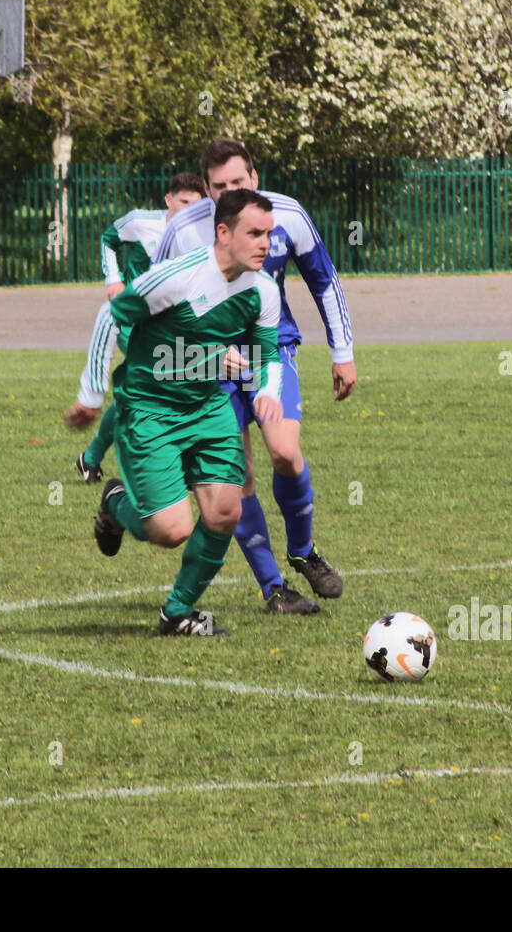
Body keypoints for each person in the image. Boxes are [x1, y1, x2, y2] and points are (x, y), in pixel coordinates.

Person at [151, 138, 355, 615]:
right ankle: (274, 589)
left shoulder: (287, 216)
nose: (229, 191)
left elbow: (324, 280)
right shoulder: (183, 230)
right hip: (208, 364)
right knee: (235, 477)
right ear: (205, 188)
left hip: (271, 349)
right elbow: (155, 307)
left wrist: (342, 352)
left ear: (255, 179)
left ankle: (303, 551)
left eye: (238, 182)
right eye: (219, 186)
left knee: (285, 452)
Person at [65, 189, 283, 636]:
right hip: (150, 410)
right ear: (223, 232)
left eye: (270, 234)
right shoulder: (177, 277)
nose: (266, 244)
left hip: (207, 408)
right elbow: (111, 316)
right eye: (255, 233)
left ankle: (177, 612)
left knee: (225, 511)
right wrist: (91, 394)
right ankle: (114, 502)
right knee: (169, 530)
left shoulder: (263, 291)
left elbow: (268, 356)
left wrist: (269, 389)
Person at [73, 172, 207, 484]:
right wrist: (113, 279)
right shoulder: (140, 222)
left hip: (170, 326)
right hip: (134, 321)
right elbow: (109, 239)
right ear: (168, 200)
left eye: (196, 205)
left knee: (140, 392)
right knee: (150, 386)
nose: (188, 210)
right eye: (183, 202)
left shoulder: (200, 235)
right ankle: (174, 465)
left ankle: (91, 458)